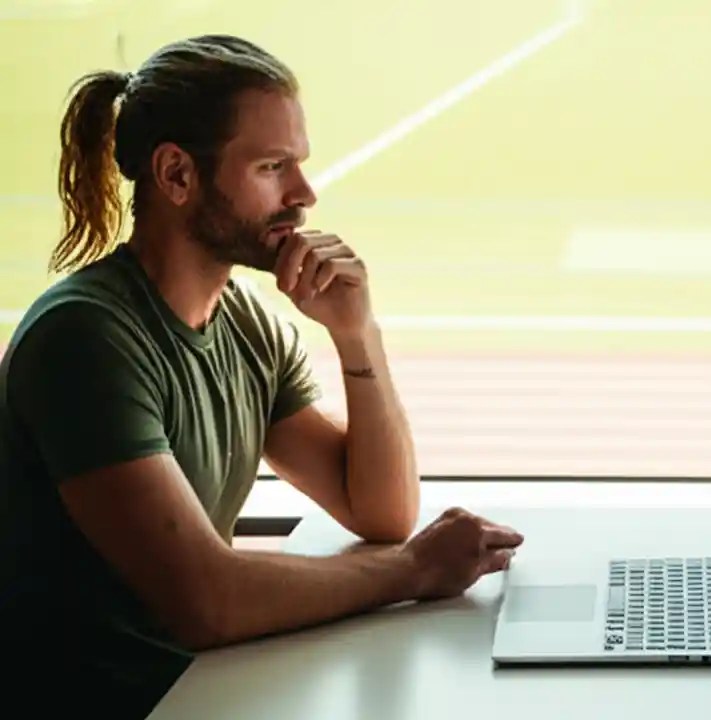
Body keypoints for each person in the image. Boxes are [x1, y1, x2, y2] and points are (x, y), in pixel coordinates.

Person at [0, 34, 523, 716]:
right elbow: (206, 602)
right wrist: (416, 570)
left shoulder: (242, 323)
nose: (304, 194)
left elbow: (380, 510)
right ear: (177, 175)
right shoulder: (86, 339)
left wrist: (356, 332)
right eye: (273, 167)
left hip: (194, 689)